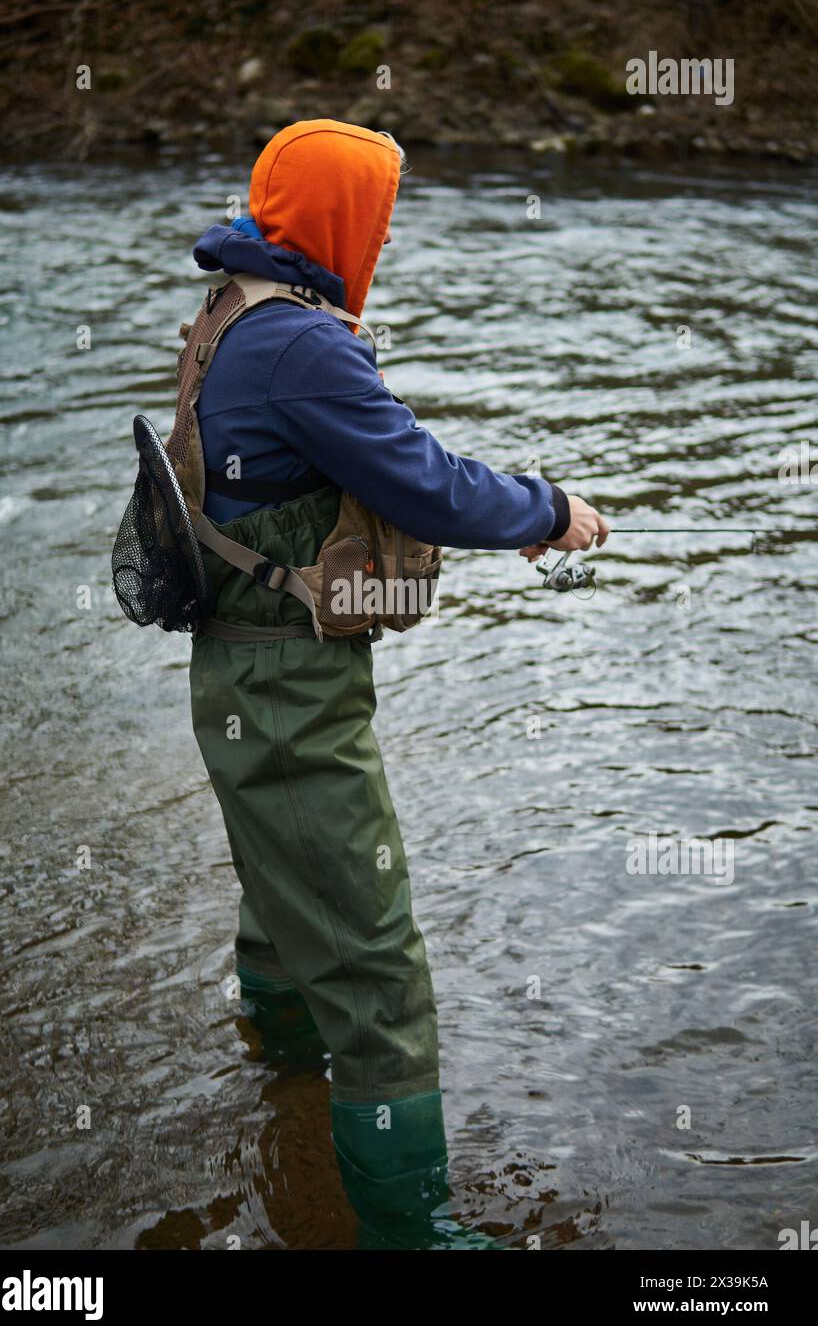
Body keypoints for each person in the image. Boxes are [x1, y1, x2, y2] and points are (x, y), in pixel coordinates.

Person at [186, 119, 609, 1249]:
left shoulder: (235, 307)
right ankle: (411, 1228)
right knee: (376, 962)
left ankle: (280, 1072)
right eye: (377, 211)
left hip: (238, 675)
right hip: (290, 693)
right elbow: (420, 482)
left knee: (281, 895)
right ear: (338, 217)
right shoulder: (305, 345)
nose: (383, 233)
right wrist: (547, 508)